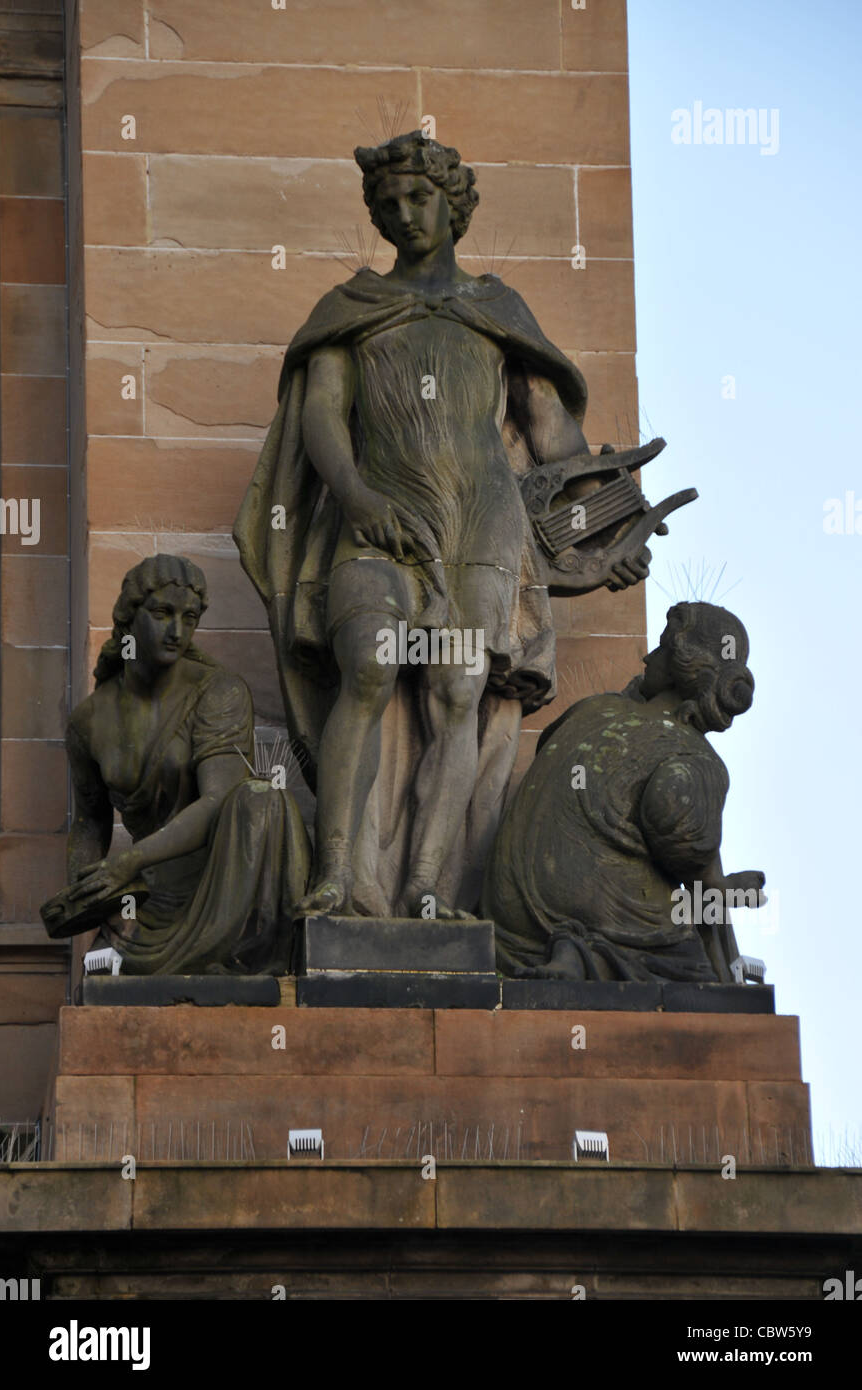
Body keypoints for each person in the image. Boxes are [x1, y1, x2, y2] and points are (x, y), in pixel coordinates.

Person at [235, 131, 649, 919]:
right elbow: (323, 415)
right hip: (380, 513)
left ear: (453, 206)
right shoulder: (354, 310)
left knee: (459, 691)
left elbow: (551, 436)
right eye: (386, 204)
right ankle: (334, 872)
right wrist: (354, 494)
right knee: (365, 668)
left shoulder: (494, 311)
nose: (402, 214)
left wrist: (607, 539)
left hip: (482, 524)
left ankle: (426, 883)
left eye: (417, 198)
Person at [42, 555, 310, 975]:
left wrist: (131, 860)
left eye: (189, 618)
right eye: (162, 614)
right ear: (129, 617)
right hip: (148, 902)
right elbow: (90, 824)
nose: (177, 632)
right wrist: (93, 899)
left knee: (261, 797)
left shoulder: (220, 692)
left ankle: (235, 944)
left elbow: (220, 797)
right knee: (114, 963)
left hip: (223, 883)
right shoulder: (89, 721)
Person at [482, 602, 766, 982]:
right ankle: (593, 953)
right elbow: (684, 840)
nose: (648, 657)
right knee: (699, 968)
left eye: (662, 649)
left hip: (505, 913)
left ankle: (579, 952)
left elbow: (548, 746)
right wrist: (721, 885)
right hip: (569, 915)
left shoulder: (595, 708)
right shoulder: (696, 758)